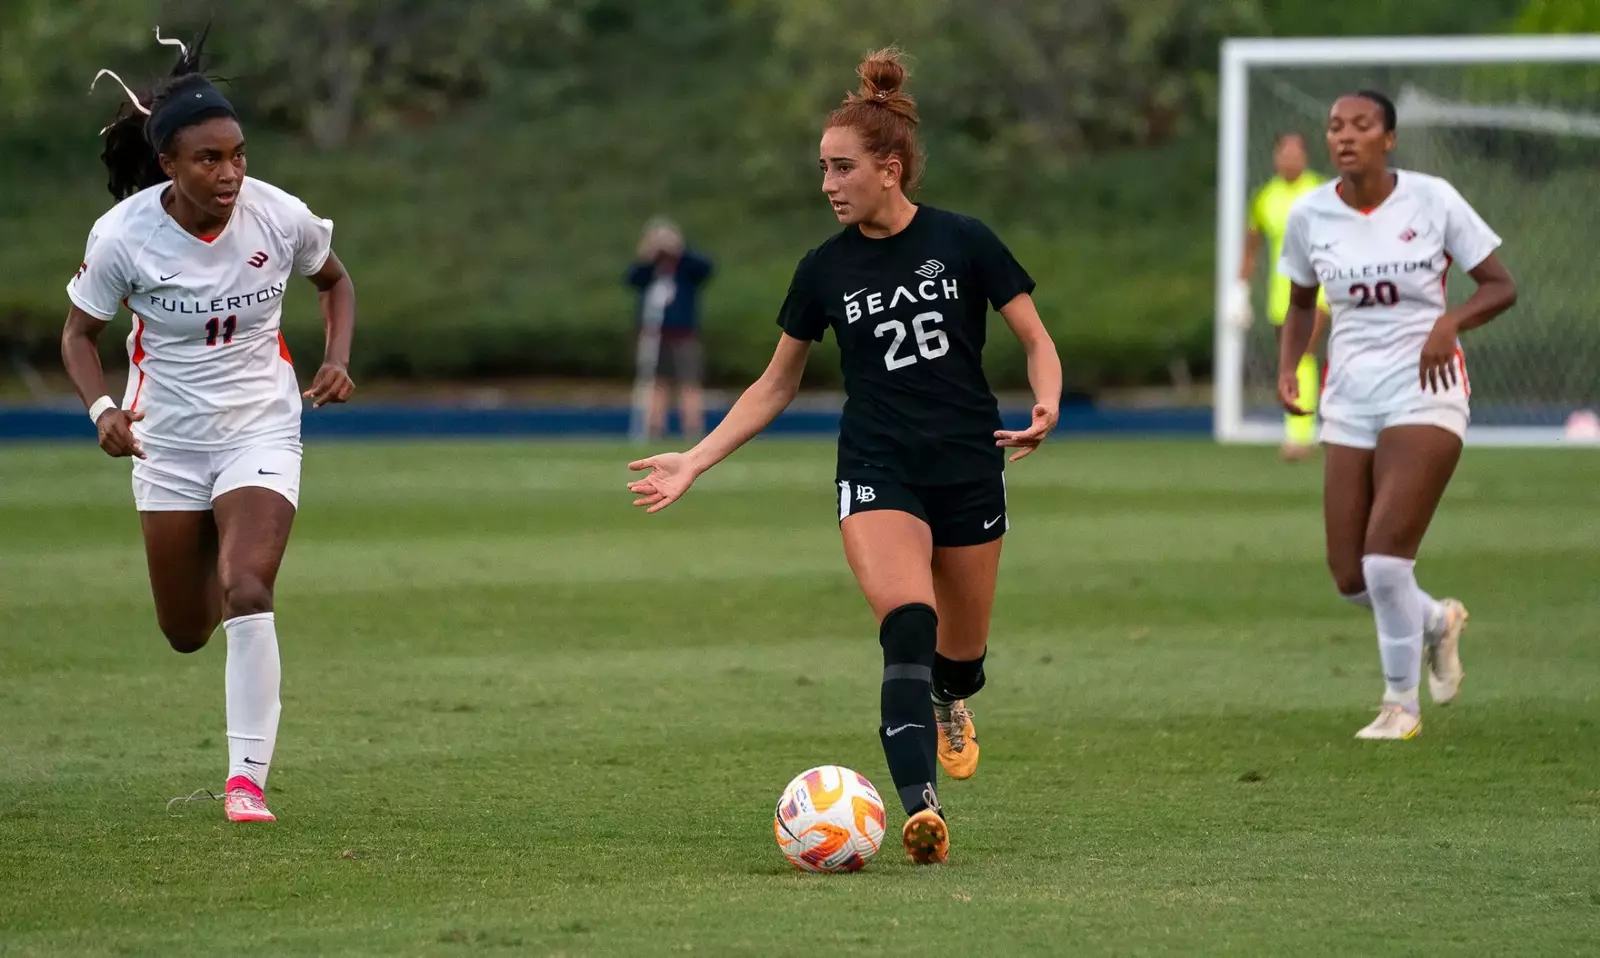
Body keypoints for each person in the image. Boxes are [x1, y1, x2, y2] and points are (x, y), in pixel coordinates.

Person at [626, 49, 1061, 863]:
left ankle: (951, 696)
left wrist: (1048, 402)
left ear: (889, 170)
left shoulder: (964, 241)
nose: (827, 184)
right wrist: (696, 459)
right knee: (908, 622)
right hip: (877, 465)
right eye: (822, 169)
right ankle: (920, 810)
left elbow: (1036, 340)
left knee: (959, 660)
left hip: (969, 464)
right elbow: (774, 384)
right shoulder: (823, 269)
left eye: (841, 168)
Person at [60, 28, 357, 821]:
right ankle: (219, 617)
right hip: (167, 442)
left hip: (261, 426)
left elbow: (335, 280)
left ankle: (245, 782)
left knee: (247, 586)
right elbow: (76, 336)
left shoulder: (275, 216)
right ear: (168, 166)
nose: (230, 174)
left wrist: (336, 356)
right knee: (187, 630)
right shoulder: (123, 236)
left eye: (238, 155)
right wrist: (101, 410)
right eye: (209, 160)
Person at [1277, 90, 1516, 740]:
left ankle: (1399, 706)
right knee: (1351, 577)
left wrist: (1451, 321)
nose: (1344, 135)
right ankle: (1436, 620)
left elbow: (1500, 285)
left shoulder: (1432, 199)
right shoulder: (1310, 214)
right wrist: (1287, 365)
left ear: (1389, 139)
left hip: (1426, 389)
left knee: (1386, 564)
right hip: (1350, 395)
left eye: (1361, 124)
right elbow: (1302, 303)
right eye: (1335, 125)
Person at [1230, 132, 1332, 460]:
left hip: (1319, 290)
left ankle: (1300, 435)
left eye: (1295, 153)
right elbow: (1252, 246)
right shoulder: (1266, 197)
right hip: (1281, 295)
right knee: (1292, 361)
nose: (1289, 159)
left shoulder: (1323, 192)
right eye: (1283, 153)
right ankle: (1306, 428)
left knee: (1303, 353)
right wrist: (1240, 291)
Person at [626, 218, 713, 440]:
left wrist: (679, 249)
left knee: (689, 382)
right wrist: (648, 254)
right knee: (656, 383)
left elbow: (705, 269)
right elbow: (632, 278)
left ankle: (692, 429)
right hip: (654, 334)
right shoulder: (650, 267)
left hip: (683, 333)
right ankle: (654, 428)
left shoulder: (686, 265)